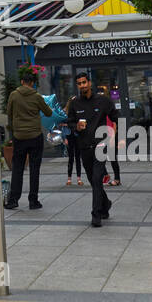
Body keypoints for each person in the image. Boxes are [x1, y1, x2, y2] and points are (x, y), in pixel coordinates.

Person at [67, 76, 119, 227]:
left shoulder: (103, 101)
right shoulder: (75, 103)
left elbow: (115, 117)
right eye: (79, 84)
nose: (82, 86)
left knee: (97, 179)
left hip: (101, 146)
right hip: (84, 148)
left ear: (90, 83)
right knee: (93, 180)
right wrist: (76, 126)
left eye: (84, 83)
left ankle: (96, 215)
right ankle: (106, 204)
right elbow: (69, 122)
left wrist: (116, 137)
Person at [3, 64, 53, 210]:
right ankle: (33, 201)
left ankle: (13, 200)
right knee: (34, 169)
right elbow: (48, 113)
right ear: (32, 83)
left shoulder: (13, 95)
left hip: (19, 136)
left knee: (17, 168)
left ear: (22, 82)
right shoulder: (36, 96)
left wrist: (14, 129)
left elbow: (9, 113)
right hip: (35, 136)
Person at [65, 74, 91, 186]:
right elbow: (66, 124)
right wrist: (64, 138)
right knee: (71, 158)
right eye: (79, 83)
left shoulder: (79, 107)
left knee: (77, 157)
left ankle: (79, 178)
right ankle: (70, 178)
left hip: (78, 136)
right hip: (71, 136)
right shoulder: (68, 110)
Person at [99, 84, 122, 186]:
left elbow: (115, 123)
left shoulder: (109, 109)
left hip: (110, 136)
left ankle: (117, 179)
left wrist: (113, 137)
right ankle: (106, 175)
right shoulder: (99, 110)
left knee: (113, 159)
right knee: (99, 157)